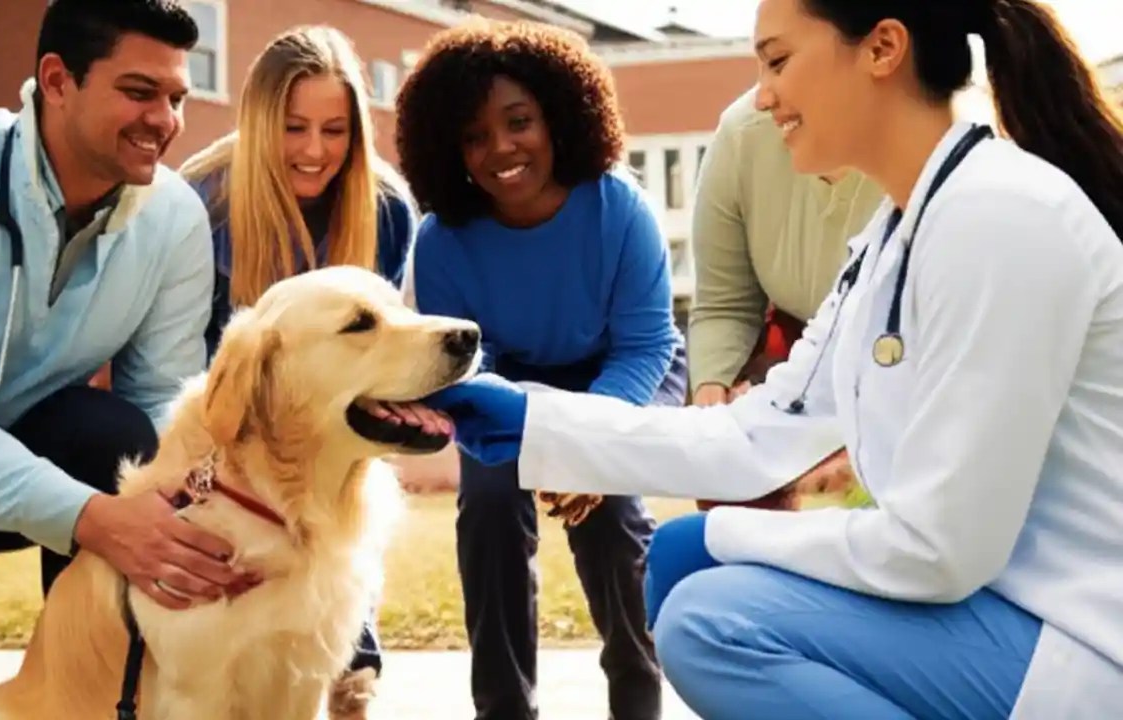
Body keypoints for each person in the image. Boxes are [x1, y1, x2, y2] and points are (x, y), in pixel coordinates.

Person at [421, 1, 1123, 718]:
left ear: (882, 48)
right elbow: (756, 433)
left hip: (1077, 638)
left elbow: (940, 549)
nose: (762, 96)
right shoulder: (895, 237)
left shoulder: (1001, 218)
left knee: (712, 623)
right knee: (680, 563)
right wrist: (532, 420)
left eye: (778, 61)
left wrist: (731, 531)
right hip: (1001, 610)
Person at [0, 2, 258, 718]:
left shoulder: (174, 217)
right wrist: (93, 517)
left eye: (176, 98)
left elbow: (163, 401)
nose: (164, 119)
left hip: (47, 453)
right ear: (57, 79)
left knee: (115, 434)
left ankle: (87, 699)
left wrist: (191, 516)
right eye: (138, 92)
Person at [396, 20, 687, 720]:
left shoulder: (619, 209)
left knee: (612, 511)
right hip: (502, 385)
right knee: (490, 503)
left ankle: (637, 698)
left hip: (620, 371)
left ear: (558, 116)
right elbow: (465, 367)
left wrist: (584, 445)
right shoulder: (441, 242)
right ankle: (502, 707)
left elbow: (646, 345)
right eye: (473, 135)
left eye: (519, 122)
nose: (500, 148)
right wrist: (541, 432)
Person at [178, 25, 418, 720]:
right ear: (259, 123)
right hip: (230, 411)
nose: (315, 151)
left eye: (335, 130)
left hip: (331, 419)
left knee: (346, 475)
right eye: (294, 127)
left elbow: (374, 361)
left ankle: (351, 654)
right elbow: (188, 370)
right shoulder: (202, 203)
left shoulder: (387, 208)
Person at [687, 87, 884, 511]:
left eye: (779, 59)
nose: (762, 95)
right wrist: (714, 408)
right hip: (795, 363)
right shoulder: (743, 133)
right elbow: (725, 304)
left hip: (897, 375)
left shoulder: (927, 149)